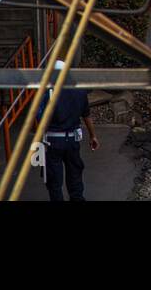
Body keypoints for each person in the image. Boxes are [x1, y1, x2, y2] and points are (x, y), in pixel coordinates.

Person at [36, 60, 100, 201]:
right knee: (75, 176)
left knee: (54, 181)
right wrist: (93, 136)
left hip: (52, 141)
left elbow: (39, 118)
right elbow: (86, 115)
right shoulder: (79, 91)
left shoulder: (48, 92)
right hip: (72, 141)